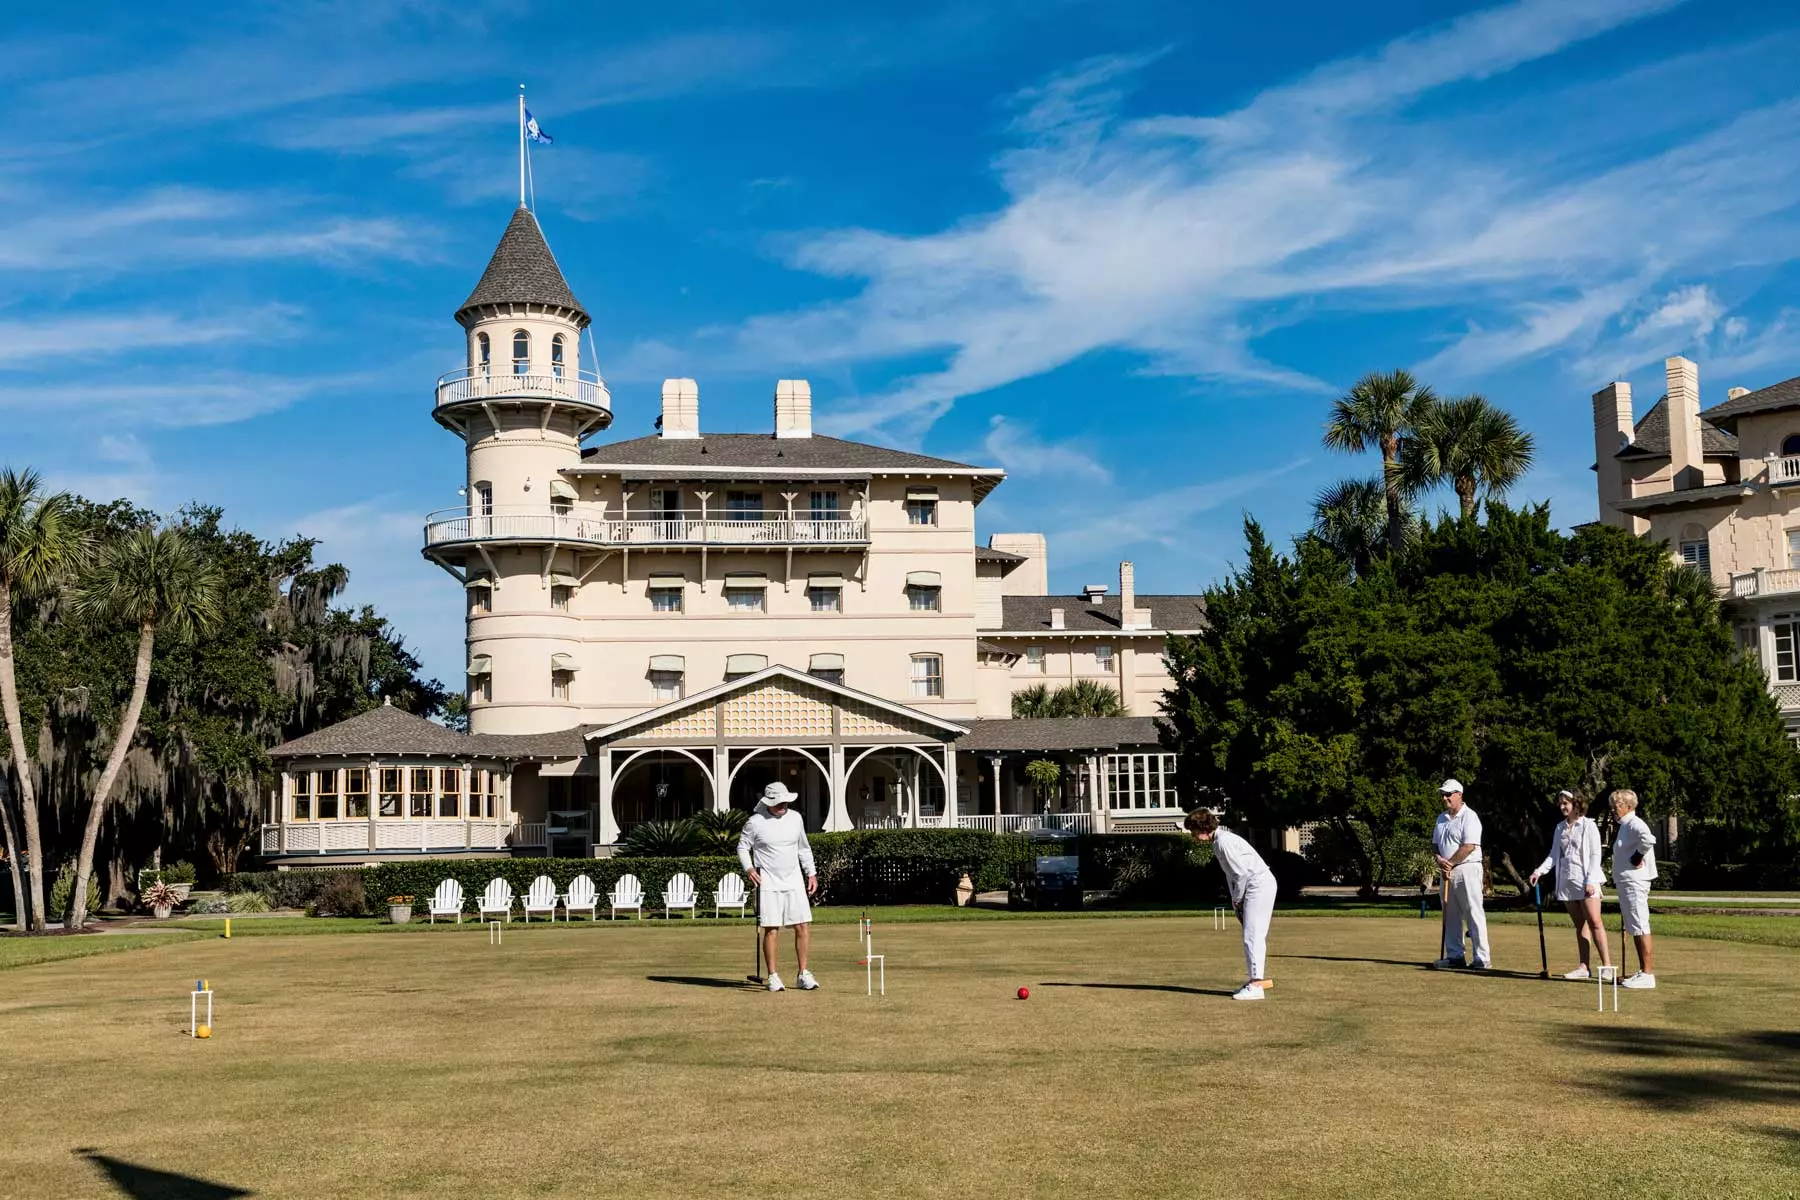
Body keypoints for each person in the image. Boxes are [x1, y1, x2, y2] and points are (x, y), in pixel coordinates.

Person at [1184, 808, 1276, 1001]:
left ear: (1201, 828)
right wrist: (1235, 899)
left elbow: (1241, 874)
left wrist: (1238, 897)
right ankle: (1255, 980)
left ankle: (1256, 984)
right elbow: (1231, 875)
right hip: (1253, 885)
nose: (1192, 836)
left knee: (1253, 935)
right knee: (1251, 934)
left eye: (1192, 831)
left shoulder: (1224, 842)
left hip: (1258, 884)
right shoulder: (1219, 842)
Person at [737, 781, 819, 992]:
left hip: (794, 880)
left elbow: (803, 848)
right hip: (768, 882)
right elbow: (743, 847)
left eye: (784, 801)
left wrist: (811, 873)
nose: (782, 805)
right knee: (771, 929)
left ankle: (803, 974)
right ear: (768, 802)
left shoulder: (795, 818)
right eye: (778, 802)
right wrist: (749, 869)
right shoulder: (755, 822)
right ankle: (773, 976)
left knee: (802, 926)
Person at [1527, 789, 1612, 980]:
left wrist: (1591, 880)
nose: (1562, 806)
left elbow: (1595, 855)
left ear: (1576, 803)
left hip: (1587, 880)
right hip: (1567, 880)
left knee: (1595, 922)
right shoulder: (1560, 827)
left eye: (1566, 803)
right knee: (1580, 925)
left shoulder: (1588, 826)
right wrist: (1539, 871)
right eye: (1561, 803)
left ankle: (1607, 966)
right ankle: (1584, 966)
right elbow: (1554, 855)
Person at [1431, 779, 1491, 970]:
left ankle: (1482, 958)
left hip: (1467, 869)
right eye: (1443, 794)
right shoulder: (1441, 818)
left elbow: (1469, 846)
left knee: (1473, 912)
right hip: (1447, 872)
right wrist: (1440, 860)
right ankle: (1455, 955)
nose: (1445, 797)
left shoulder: (1469, 817)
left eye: (1449, 794)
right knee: (1450, 914)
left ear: (1459, 795)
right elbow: (1434, 845)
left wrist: (1450, 863)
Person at [1610, 788, 1658, 990]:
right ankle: (1642, 971)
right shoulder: (1624, 825)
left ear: (1628, 806)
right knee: (1634, 926)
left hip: (1635, 881)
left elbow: (1649, 839)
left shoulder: (1635, 823)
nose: (1613, 809)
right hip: (1627, 881)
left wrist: (1637, 856)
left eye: (1617, 805)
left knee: (1640, 924)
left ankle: (1647, 974)